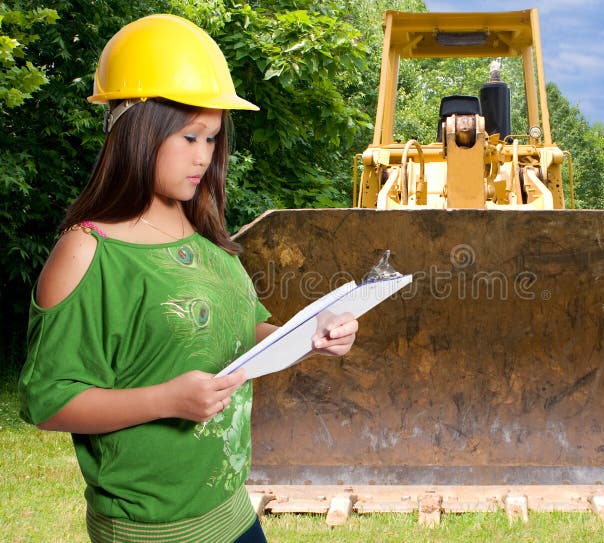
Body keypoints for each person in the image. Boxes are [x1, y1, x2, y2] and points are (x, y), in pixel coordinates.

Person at [17, 13, 358, 543]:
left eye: (213, 138)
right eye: (190, 136)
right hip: (152, 531)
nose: (204, 156)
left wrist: (310, 336)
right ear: (137, 130)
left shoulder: (207, 240)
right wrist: (167, 401)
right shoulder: (88, 252)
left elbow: (242, 335)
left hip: (234, 513)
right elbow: (46, 401)